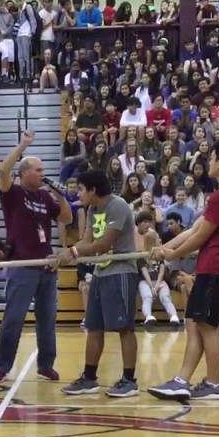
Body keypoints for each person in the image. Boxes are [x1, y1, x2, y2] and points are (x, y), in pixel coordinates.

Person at [147, 137, 219, 401]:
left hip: (217, 268)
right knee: (194, 323)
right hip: (211, 267)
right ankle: (182, 380)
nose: (208, 162)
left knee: (207, 325)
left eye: (212, 157)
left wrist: (172, 254)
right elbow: (194, 230)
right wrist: (166, 246)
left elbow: (199, 237)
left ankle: (214, 383)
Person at [0, 131, 72, 383]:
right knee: (14, 318)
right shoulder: (12, 193)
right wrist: (23, 145)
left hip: (46, 264)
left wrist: (59, 193)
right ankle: (2, 366)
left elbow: (66, 218)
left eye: (42, 169)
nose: (42, 173)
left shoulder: (46, 196)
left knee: (47, 320)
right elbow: (3, 171)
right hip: (23, 265)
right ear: (25, 172)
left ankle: (45, 364)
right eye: (37, 169)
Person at [60, 168, 139, 397]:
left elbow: (103, 244)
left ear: (93, 190)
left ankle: (129, 380)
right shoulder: (92, 208)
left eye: (82, 189)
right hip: (101, 272)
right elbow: (87, 240)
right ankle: (89, 378)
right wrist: (63, 255)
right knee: (94, 326)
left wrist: (72, 251)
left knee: (124, 328)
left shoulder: (118, 206)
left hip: (121, 270)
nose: (79, 193)